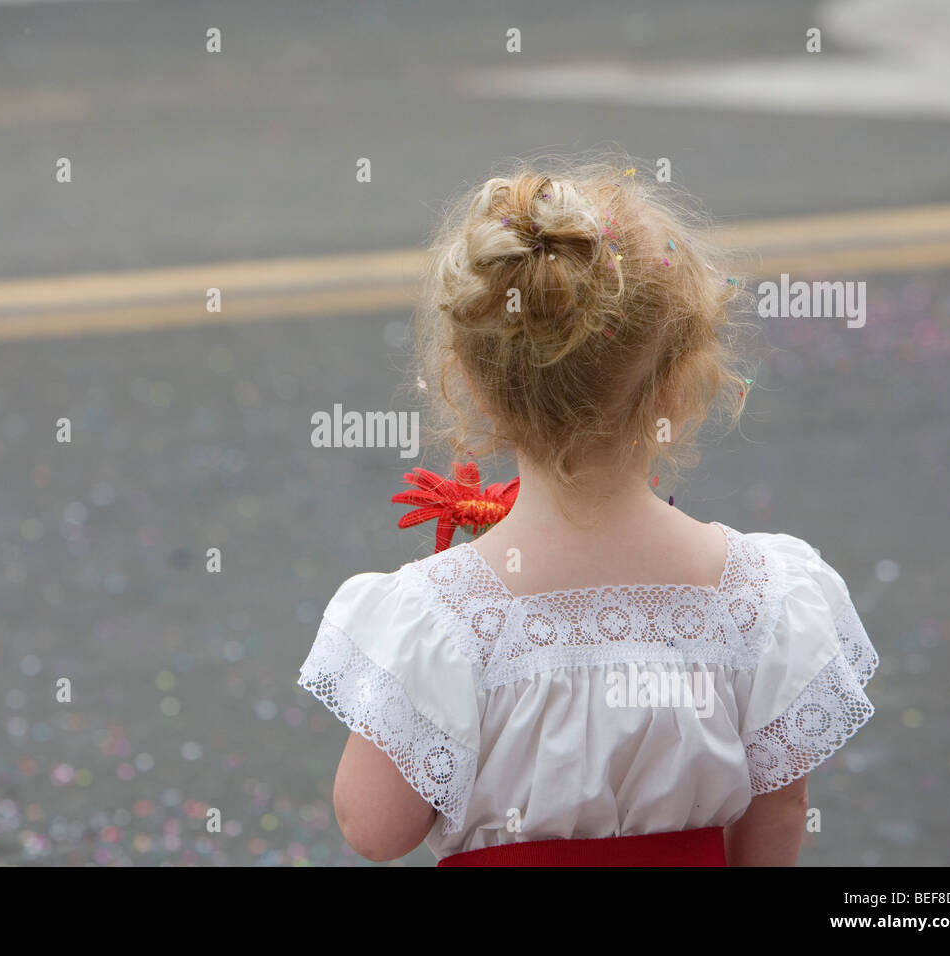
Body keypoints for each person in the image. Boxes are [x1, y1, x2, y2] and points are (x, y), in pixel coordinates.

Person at [297, 159, 877, 866]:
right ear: (677, 384)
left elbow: (375, 828)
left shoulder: (443, 621)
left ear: (472, 386)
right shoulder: (757, 597)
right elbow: (777, 814)